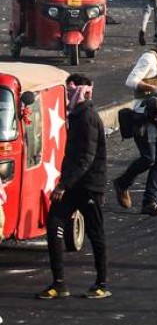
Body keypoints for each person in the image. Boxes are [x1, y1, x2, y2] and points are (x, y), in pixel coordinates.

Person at [39, 73, 110, 300]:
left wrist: (63, 185)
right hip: (73, 185)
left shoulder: (87, 117)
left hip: (89, 186)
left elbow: (85, 158)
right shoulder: (76, 115)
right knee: (54, 224)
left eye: (71, 91)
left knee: (95, 233)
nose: (68, 95)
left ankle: (101, 284)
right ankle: (59, 283)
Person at [114, 24, 157, 217]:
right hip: (144, 116)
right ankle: (122, 183)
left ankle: (149, 202)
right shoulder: (149, 58)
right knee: (148, 158)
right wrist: (154, 90)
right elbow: (131, 80)